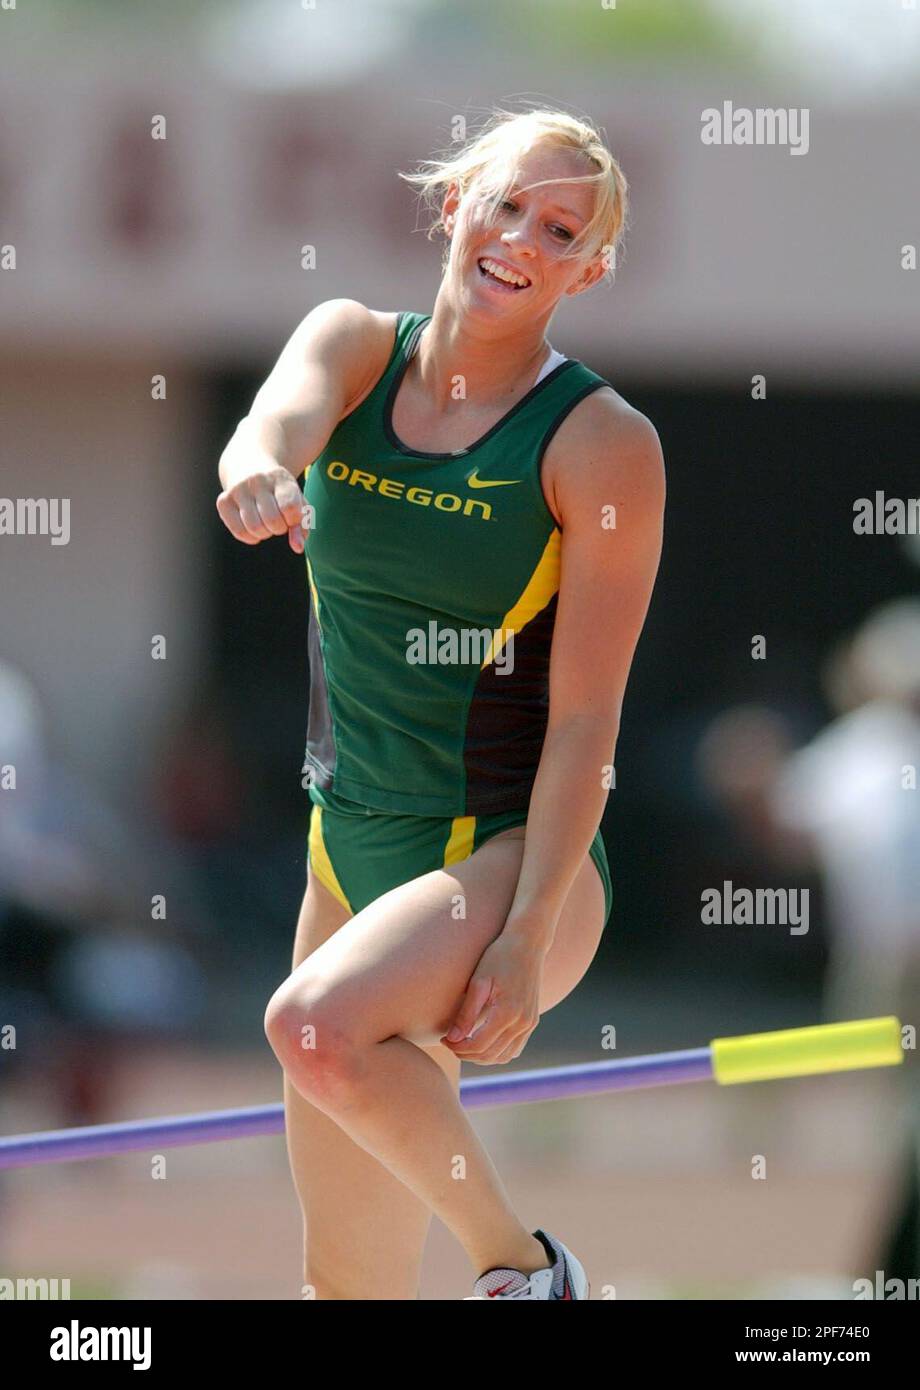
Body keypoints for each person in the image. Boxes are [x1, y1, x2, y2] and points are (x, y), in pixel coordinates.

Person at [216, 106, 665, 1300]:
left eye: (559, 226)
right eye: (507, 202)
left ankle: (528, 1272)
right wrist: (258, 468)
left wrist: (523, 937)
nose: (521, 235)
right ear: (453, 201)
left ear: (591, 266)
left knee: (313, 1024)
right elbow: (273, 424)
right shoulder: (352, 343)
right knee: (347, 1289)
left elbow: (585, 723)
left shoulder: (599, 444)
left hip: (513, 861)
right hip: (345, 844)